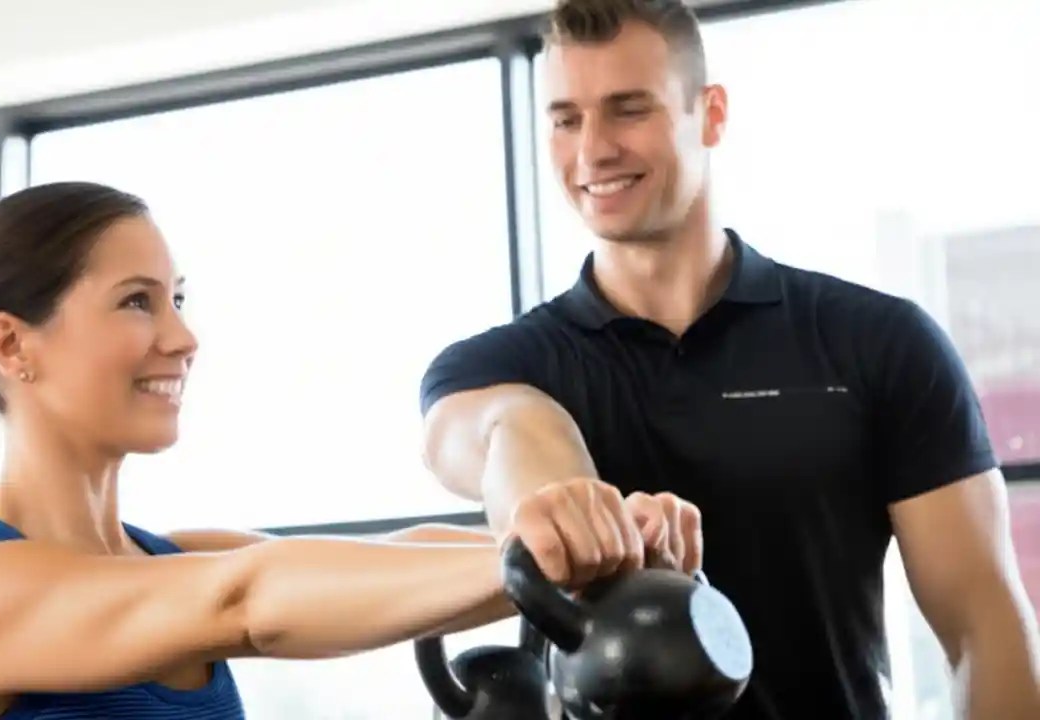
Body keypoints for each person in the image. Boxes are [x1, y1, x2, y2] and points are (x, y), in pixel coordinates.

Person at [418, 1, 1040, 719]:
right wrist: (565, 502)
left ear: (710, 114)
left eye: (628, 110)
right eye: (565, 119)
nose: (592, 151)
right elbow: (494, 431)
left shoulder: (879, 342)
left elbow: (981, 625)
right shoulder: (495, 368)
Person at [0, 181, 672, 719]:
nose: (183, 336)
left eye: (178, 299)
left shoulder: (166, 560)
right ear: (11, 344)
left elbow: (383, 557)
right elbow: (248, 601)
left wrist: (602, 544)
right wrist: (539, 559)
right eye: (137, 301)